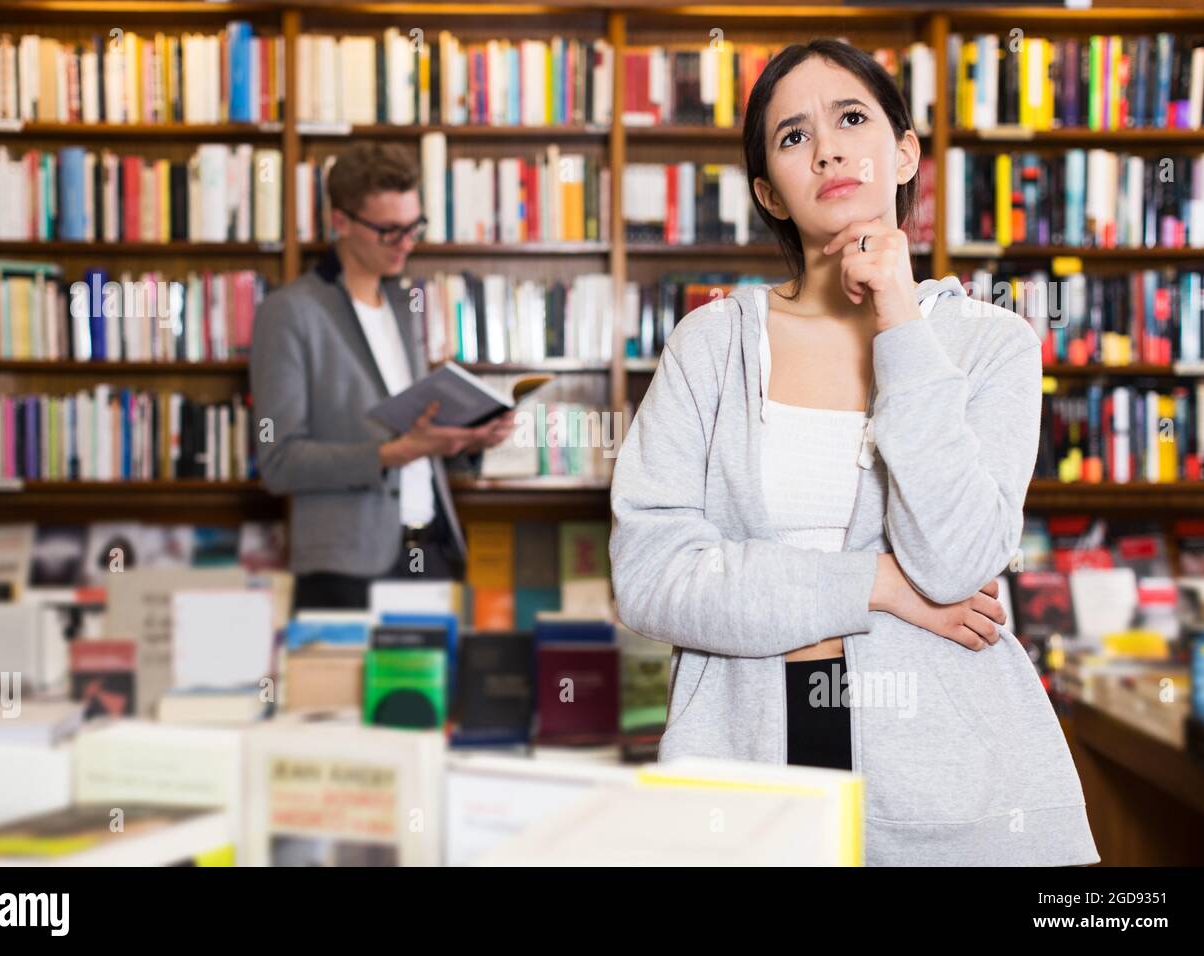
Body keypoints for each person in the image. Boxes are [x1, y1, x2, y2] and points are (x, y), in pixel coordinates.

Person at [608, 39, 1099, 867]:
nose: (828, 147)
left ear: (904, 152)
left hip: (955, 792)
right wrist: (879, 586)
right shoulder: (712, 345)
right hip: (747, 782)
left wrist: (903, 324)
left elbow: (956, 563)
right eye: (793, 137)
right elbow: (652, 579)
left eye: (852, 118)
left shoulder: (990, 345)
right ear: (769, 189)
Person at [251, 141, 515, 611]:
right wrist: (396, 452)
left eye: (414, 227)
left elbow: (420, 442)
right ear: (341, 223)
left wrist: (468, 439)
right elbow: (279, 463)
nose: (407, 243)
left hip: (428, 552)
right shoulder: (289, 312)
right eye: (390, 231)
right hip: (346, 570)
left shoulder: (404, 305)